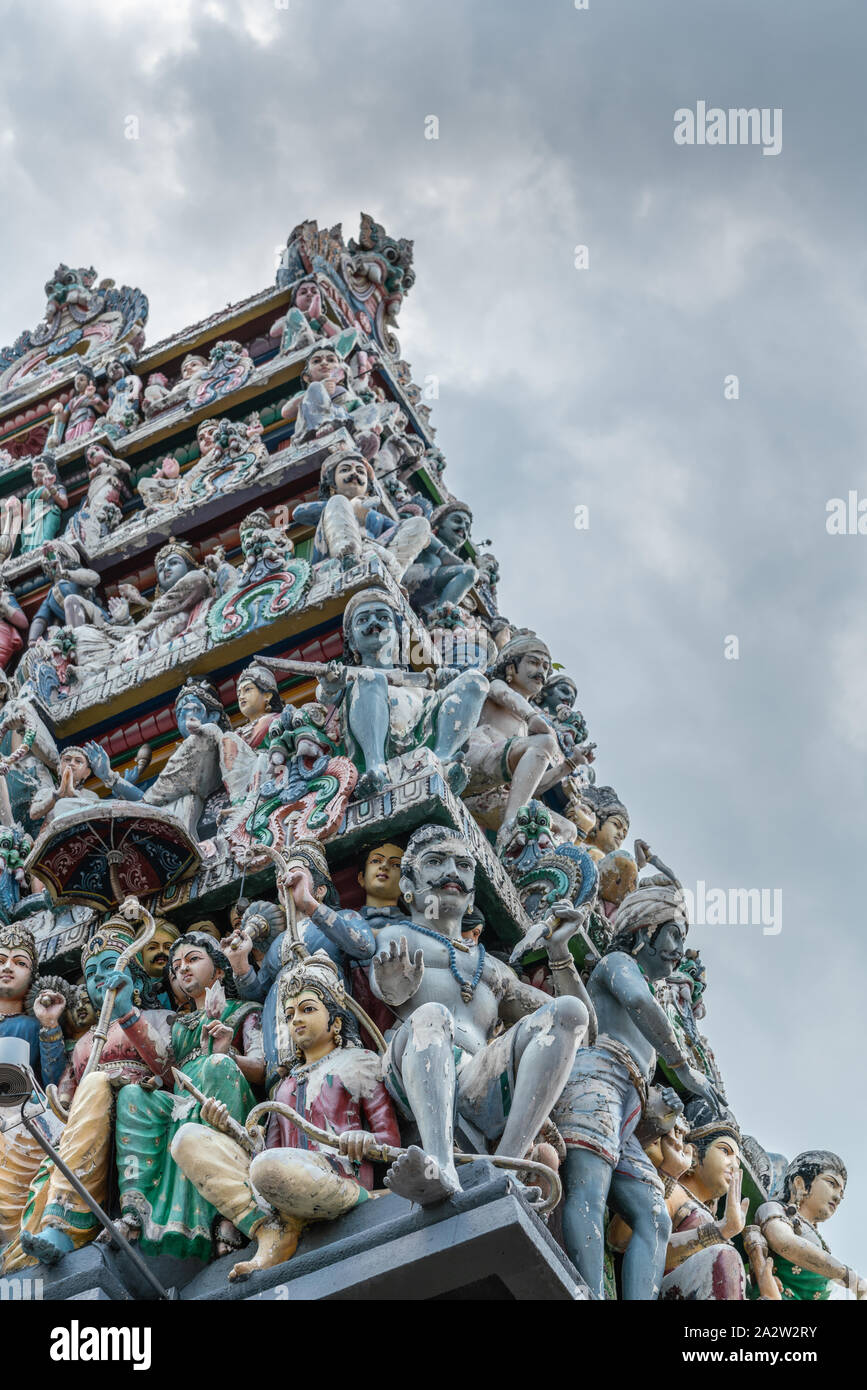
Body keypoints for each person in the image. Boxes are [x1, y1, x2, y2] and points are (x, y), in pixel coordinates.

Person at [368, 824, 589, 1206]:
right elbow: (387, 990)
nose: (451, 872)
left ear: (472, 895)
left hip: (478, 1075)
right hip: (416, 1062)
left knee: (567, 1010)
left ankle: (508, 1164)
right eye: (435, 862)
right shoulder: (395, 936)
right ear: (408, 886)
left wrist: (559, 953)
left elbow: (585, 1028)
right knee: (431, 1013)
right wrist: (394, 985)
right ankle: (439, 1161)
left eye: (464, 865)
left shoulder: (493, 970)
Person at [171, 951, 401, 1281]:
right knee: (188, 1140)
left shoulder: (359, 1062)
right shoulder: (284, 1086)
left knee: (268, 1168)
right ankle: (272, 1230)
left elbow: (389, 1141)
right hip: (279, 1188)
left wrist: (362, 1140)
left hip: (336, 1181)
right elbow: (264, 1157)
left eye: (308, 1009)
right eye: (290, 1014)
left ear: (335, 1021)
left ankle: (319, 1212)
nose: (296, 1020)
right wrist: (229, 1129)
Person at [554, 882, 723, 1300]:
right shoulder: (618, 964)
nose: (679, 950)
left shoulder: (653, 988)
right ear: (646, 928)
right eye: (675, 934)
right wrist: (684, 1070)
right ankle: (588, 1294)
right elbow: (639, 1003)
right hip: (596, 1083)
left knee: (653, 1212)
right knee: (589, 1191)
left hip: (624, 1109)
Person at [111, 932, 264, 1260]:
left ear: (219, 971)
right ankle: (136, 1212)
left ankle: (230, 1211)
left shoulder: (243, 1011)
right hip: (182, 1099)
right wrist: (126, 1012)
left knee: (218, 1066)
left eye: (193, 959)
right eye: (176, 966)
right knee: (132, 1096)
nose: (182, 969)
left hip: (222, 1096)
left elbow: (262, 1066)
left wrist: (228, 1053)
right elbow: (167, 1068)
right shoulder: (178, 1024)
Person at [225, 841, 375, 1088]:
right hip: (282, 1041)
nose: (286, 878)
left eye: (296, 872)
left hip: (327, 1032)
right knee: (285, 1096)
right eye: (281, 875)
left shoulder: (343, 918)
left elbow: (363, 946)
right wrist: (240, 965)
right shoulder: (278, 943)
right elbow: (259, 994)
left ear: (320, 889)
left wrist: (309, 904)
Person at [753, 1151, 866, 1300]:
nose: (838, 1197)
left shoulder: (819, 1242)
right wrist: (851, 1279)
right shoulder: (776, 1210)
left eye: (841, 1194)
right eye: (831, 1183)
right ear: (800, 1184)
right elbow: (784, 1241)